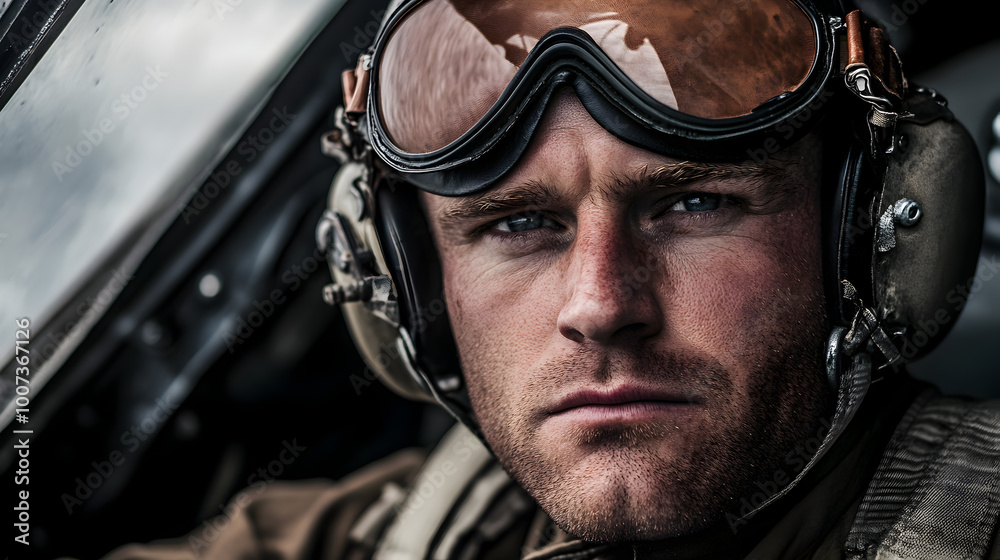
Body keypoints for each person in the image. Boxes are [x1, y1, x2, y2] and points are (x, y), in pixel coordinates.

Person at [100, 0, 999, 559]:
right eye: (519, 225)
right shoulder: (401, 528)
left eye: (693, 207)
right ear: (403, 284)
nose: (601, 306)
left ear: (870, 238)